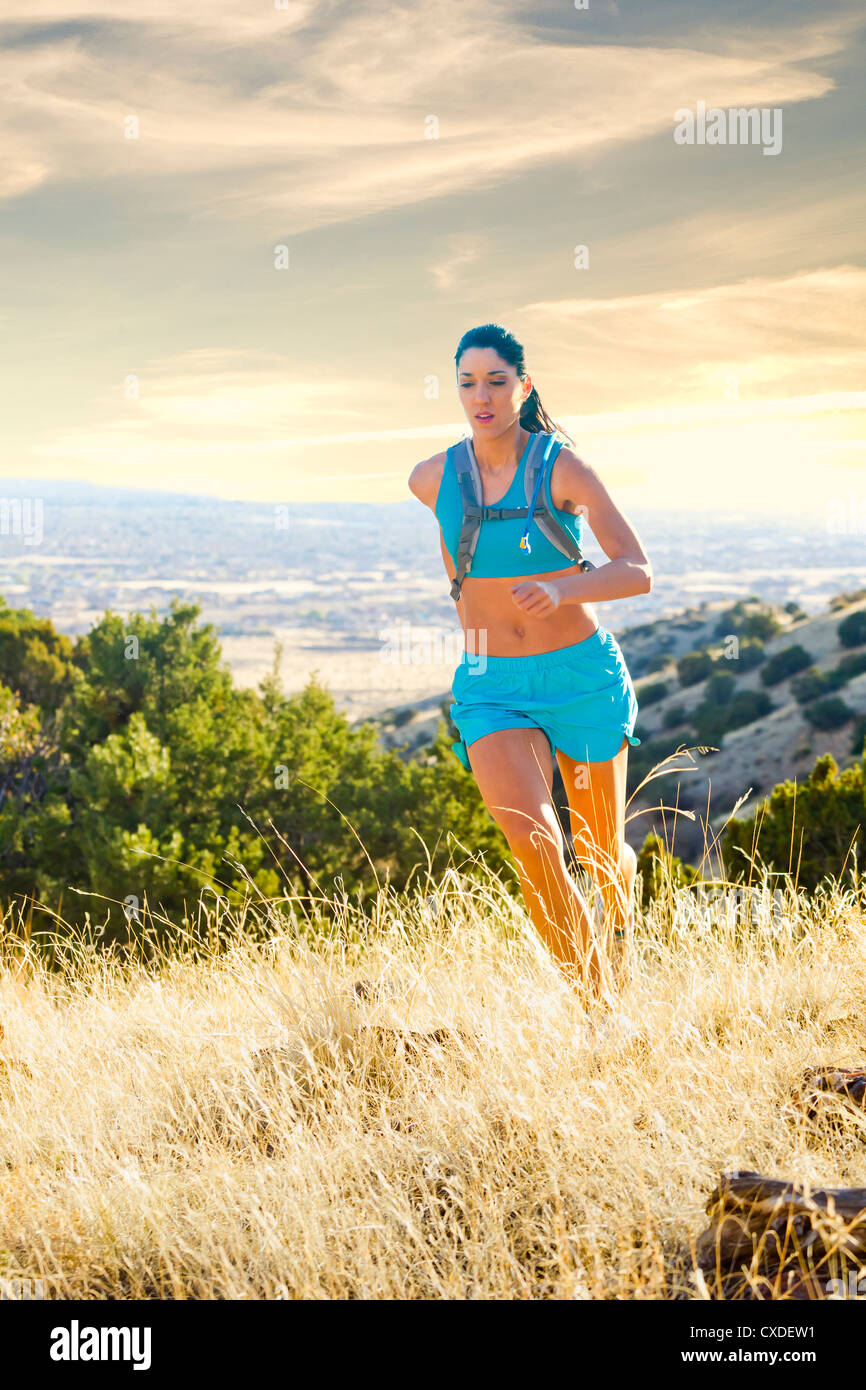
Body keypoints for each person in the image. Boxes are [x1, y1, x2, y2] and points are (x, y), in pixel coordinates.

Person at [408, 323, 652, 1004]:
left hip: (579, 675)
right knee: (537, 847)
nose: (480, 396)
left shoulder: (561, 467)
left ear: (524, 384)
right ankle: (601, 1008)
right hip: (492, 684)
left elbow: (637, 570)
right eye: (467, 382)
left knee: (602, 855)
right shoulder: (432, 478)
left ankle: (621, 919)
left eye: (496, 381)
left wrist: (564, 587)